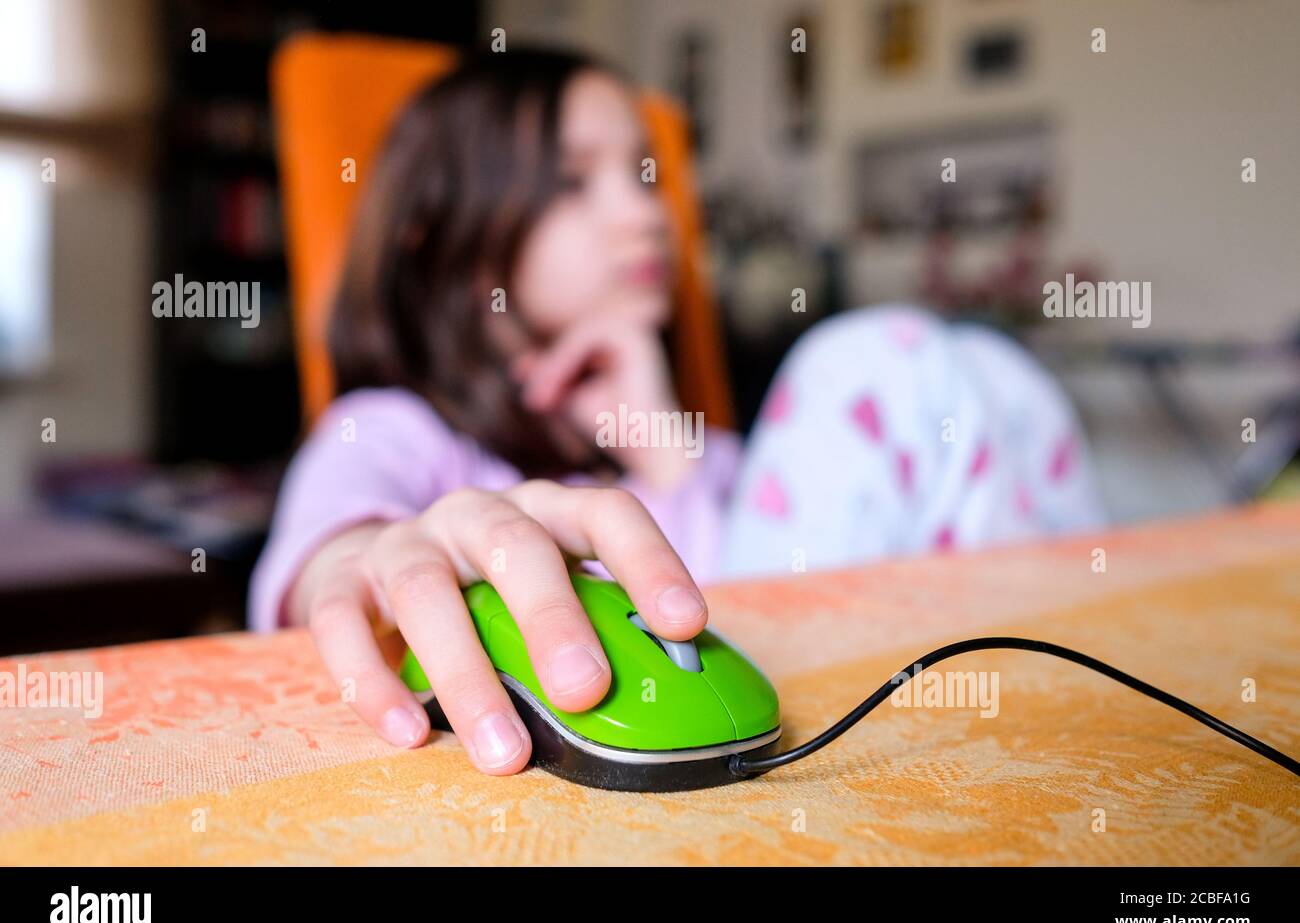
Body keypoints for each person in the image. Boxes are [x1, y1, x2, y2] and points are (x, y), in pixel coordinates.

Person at [250, 48, 1105, 777]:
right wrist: (366, 559)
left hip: (883, 689)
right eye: (575, 182)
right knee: (883, 363)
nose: (646, 216)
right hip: (790, 716)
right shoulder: (400, 430)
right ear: (443, 242)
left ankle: (1077, 693)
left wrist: (664, 449)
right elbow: (329, 552)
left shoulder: (703, 444)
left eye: (644, 175)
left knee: (985, 368)